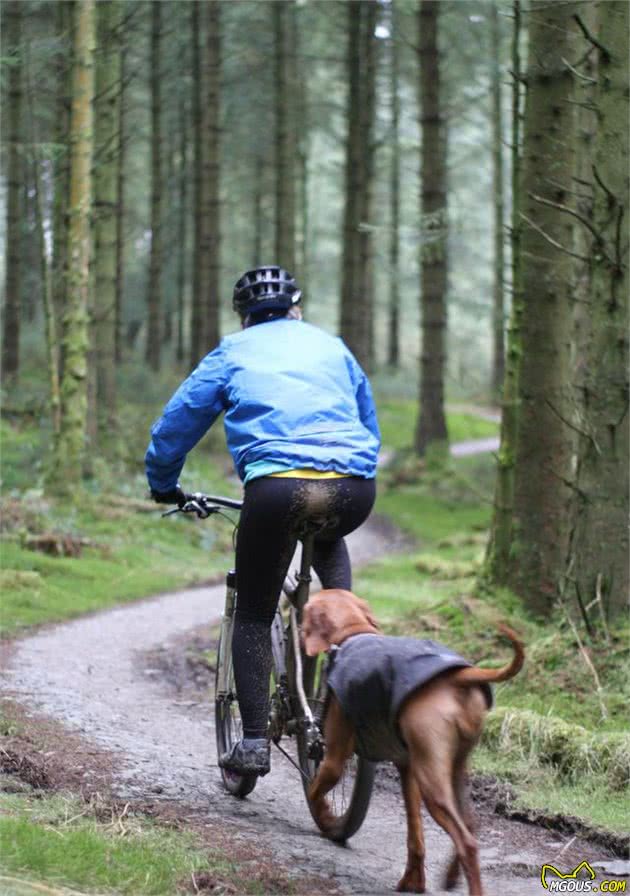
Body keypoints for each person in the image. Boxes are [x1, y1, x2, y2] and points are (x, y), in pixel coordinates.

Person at [145, 266, 380, 776]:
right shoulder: (331, 345)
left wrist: (164, 481)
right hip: (354, 487)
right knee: (330, 539)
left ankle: (253, 743)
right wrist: (356, 464)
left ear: (246, 318)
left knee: (252, 612)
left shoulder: (233, 352)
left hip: (277, 490)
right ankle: (355, 671)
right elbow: (367, 418)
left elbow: (179, 420)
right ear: (297, 309)